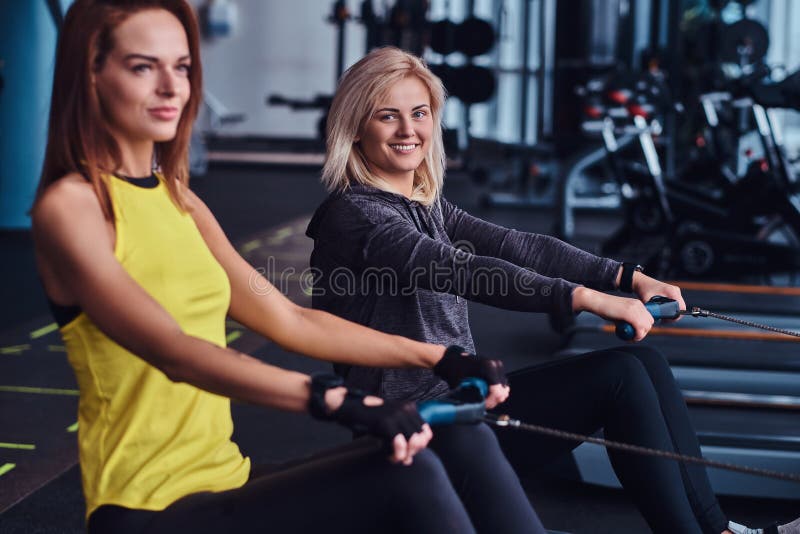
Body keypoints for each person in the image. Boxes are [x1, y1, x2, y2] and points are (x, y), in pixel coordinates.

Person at [30, 3, 523, 533]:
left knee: (456, 441)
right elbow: (174, 352)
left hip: (228, 478)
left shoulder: (181, 203)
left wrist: (443, 357)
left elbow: (289, 320)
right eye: (143, 67)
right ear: (92, 73)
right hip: (147, 509)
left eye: (183, 67)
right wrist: (337, 399)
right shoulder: (72, 208)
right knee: (411, 476)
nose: (172, 88)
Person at [306, 46, 799, 534]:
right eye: (387, 116)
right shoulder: (353, 216)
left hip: (464, 402)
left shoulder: (423, 204)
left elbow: (516, 245)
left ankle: (719, 531)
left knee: (641, 364)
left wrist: (626, 278)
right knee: (619, 377)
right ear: (355, 127)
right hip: (415, 433)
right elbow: (460, 269)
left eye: (419, 113)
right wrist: (586, 299)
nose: (408, 130)